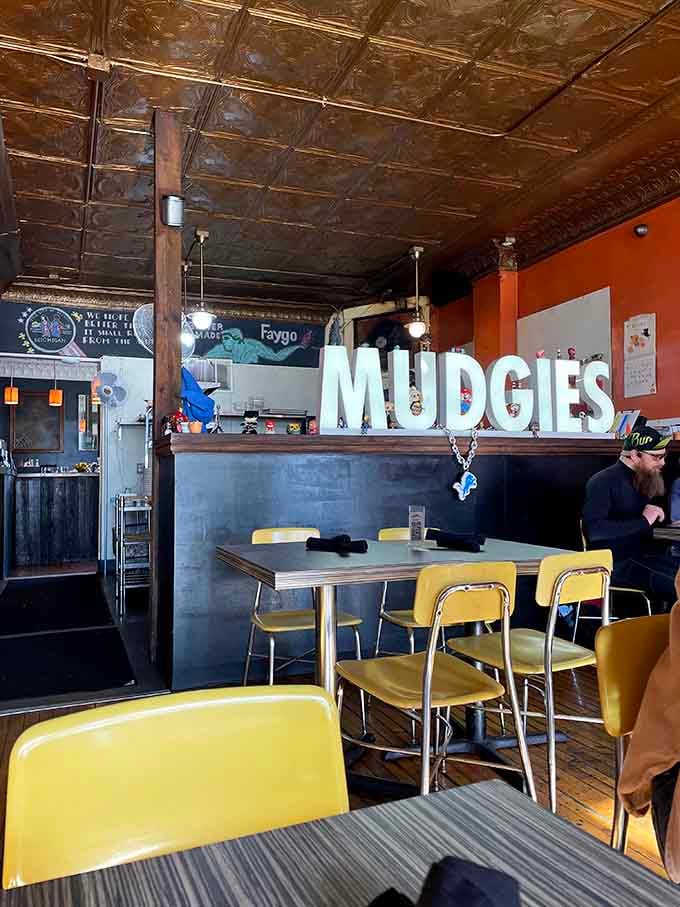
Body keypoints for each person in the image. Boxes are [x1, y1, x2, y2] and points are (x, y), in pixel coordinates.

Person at [582, 425, 679, 606]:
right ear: (634, 455)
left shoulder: (642, 478)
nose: (663, 463)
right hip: (615, 563)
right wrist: (644, 521)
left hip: (643, 557)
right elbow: (595, 531)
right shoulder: (603, 481)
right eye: (656, 457)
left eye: (663, 457)